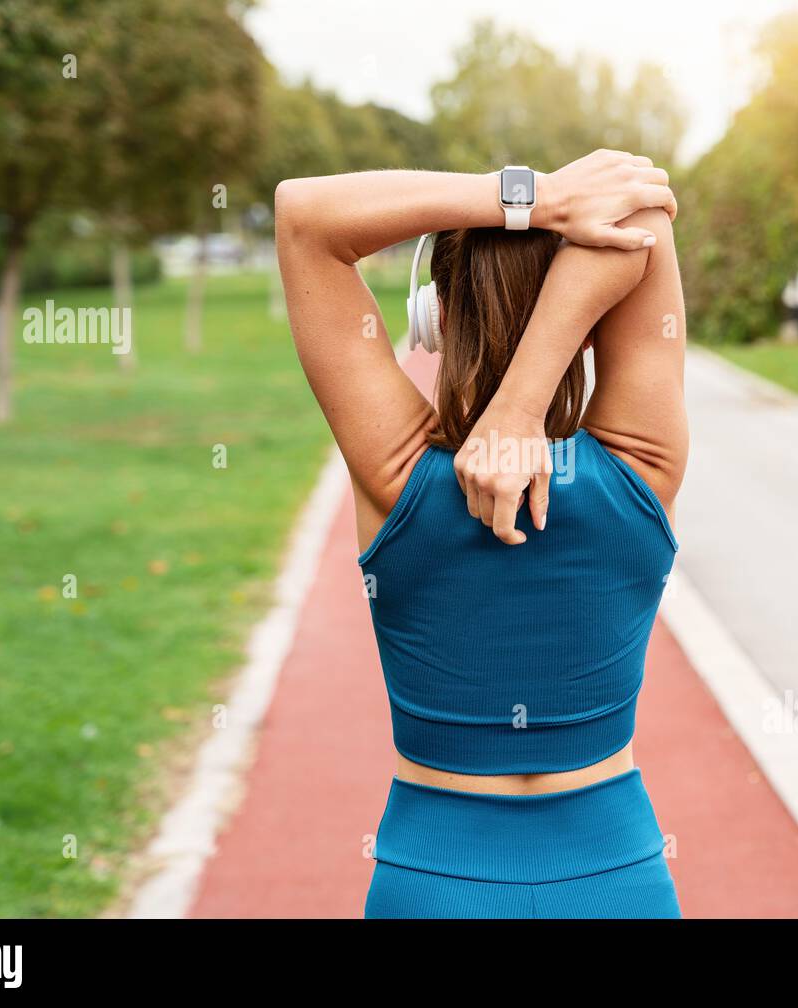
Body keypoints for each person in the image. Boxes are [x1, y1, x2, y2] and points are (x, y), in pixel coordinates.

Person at [275, 149, 688, 918]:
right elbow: (643, 208)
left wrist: (531, 199)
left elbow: (304, 216)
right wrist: (526, 399)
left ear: (435, 318)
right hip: (617, 879)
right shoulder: (643, 467)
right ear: (591, 327)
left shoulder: (394, 475)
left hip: (432, 882)